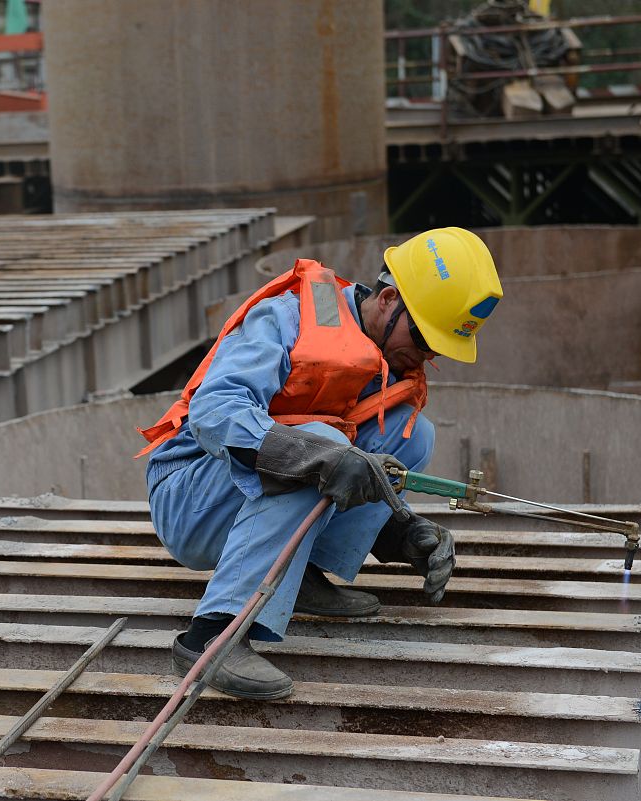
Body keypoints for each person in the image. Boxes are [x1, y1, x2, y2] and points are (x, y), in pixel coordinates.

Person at [137, 227, 503, 700]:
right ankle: (212, 635)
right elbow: (215, 411)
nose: (424, 355)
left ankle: (300, 575)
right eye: (422, 337)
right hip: (189, 495)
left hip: (247, 492)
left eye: (436, 348)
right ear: (388, 300)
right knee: (324, 445)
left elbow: (353, 459)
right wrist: (315, 453)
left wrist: (398, 531)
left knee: (411, 435)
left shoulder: (380, 359)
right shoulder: (287, 318)